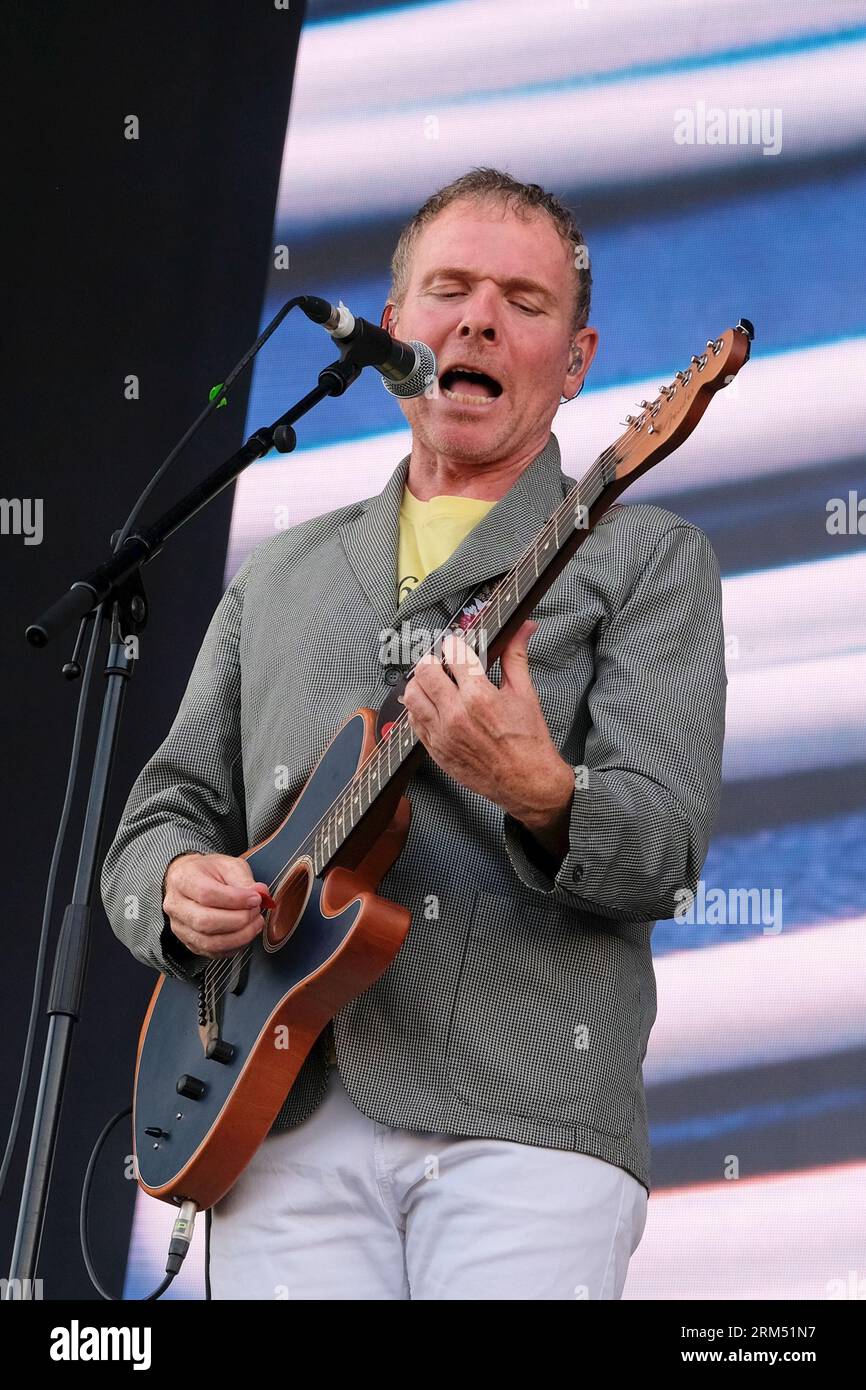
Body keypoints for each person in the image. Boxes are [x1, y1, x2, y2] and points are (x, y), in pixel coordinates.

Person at [101, 167, 727, 1300]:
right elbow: (160, 818)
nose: (477, 317)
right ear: (393, 332)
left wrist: (545, 792)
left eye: (523, 304)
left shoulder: (646, 557)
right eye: (447, 290)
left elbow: (665, 843)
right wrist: (176, 887)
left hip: (522, 1122)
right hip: (270, 1117)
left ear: (577, 363)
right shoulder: (281, 572)